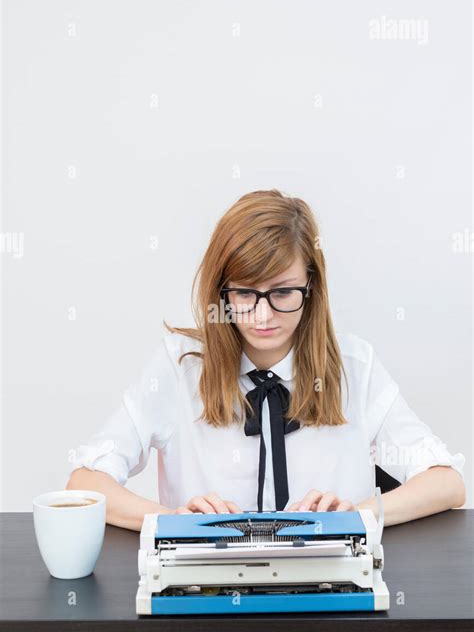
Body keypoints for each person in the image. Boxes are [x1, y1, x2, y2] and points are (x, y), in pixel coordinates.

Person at [66, 189, 466, 531]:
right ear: (220, 291)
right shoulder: (180, 366)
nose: (262, 316)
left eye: (282, 292)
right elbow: (85, 483)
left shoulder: (353, 366)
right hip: (206, 592)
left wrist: (356, 516)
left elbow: (447, 483)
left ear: (311, 285)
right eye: (244, 294)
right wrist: (173, 521)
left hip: (332, 598)